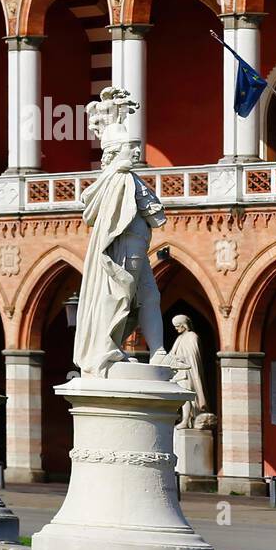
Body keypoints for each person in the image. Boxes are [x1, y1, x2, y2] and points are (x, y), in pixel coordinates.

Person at [73, 88, 169, 378]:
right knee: (121, 298)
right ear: (116, 153)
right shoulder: (121, 179)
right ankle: (107, 348)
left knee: (148, 298)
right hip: (126, 249)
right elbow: (155, 214)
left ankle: (158, 352)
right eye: (132, 148)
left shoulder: (125, 178)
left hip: (137, 248)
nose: (138, 152)